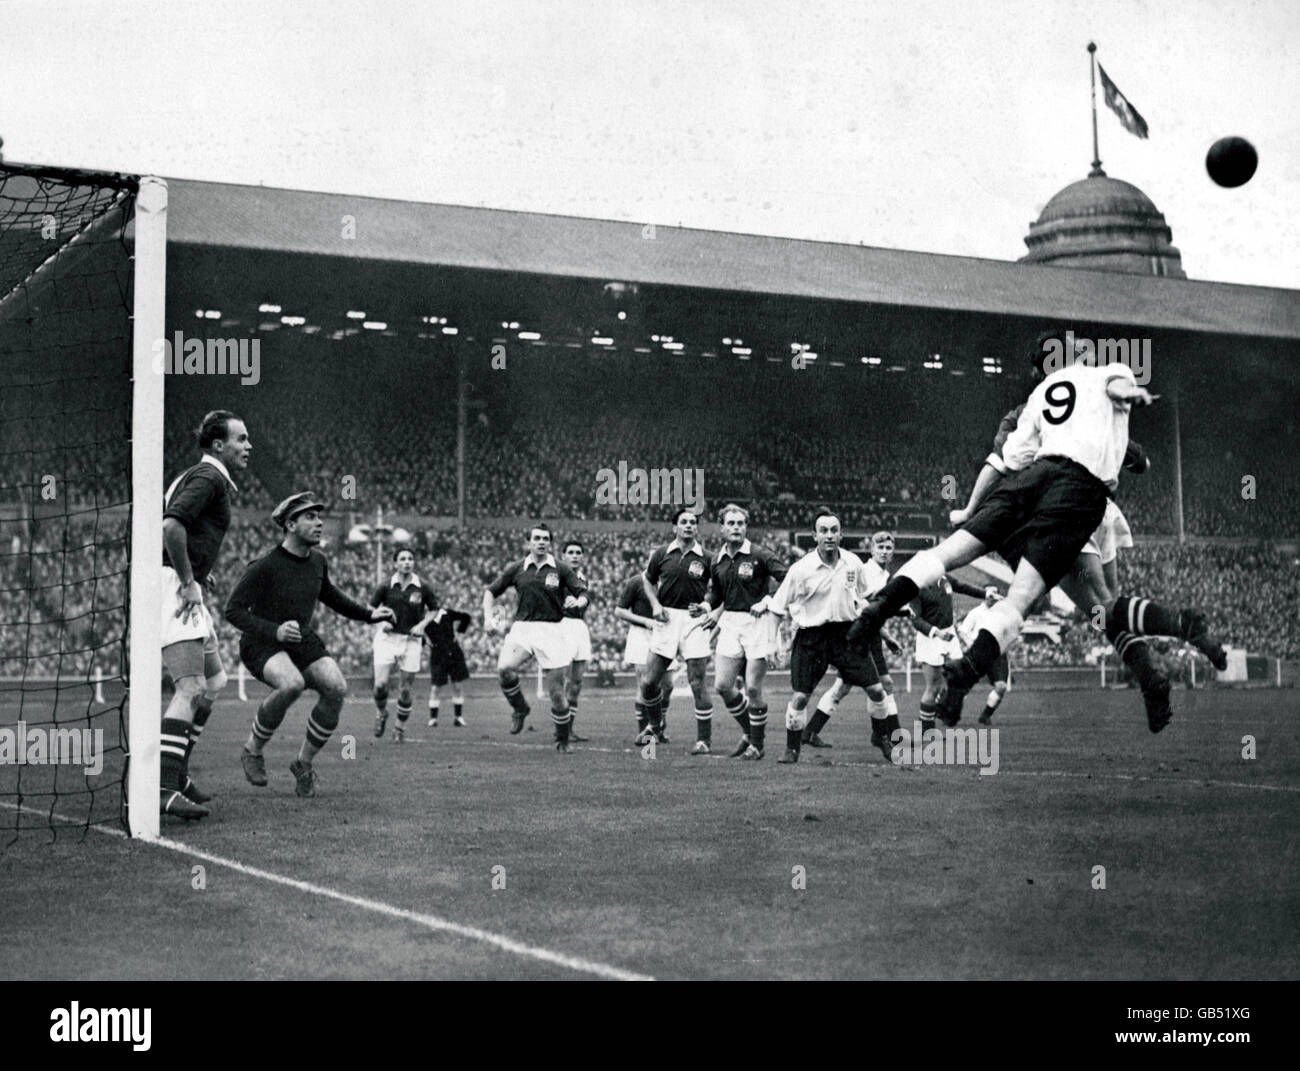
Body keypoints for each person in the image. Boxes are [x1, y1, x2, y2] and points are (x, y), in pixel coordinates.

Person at [855, 337, 1226, 722]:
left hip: (1045, 510)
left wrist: (968, 508)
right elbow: (1139, 459)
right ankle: (1161, 660)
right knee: (1099, 605)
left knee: (1063, 601)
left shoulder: (1029, 409)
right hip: (1083, 507)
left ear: (1040, 373)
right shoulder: (1090, 398)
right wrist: (1127, 441)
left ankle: (963, 675)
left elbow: (1000, 464)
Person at [225, 493, 395, 797]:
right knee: (291, 684)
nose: (319, 523)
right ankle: (252, 750)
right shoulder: (265, 565)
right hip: (262, 642)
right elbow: (232, 610)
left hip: (300, 638)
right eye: (310, 517)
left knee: (336, 688)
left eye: (319, 517)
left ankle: (303, 764)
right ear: (290, 524)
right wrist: (275, 631)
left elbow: (332, 596)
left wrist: (369, 614)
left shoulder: (318, 560)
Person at [159, 410, 251, 820]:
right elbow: (171, 527)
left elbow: (182, 530)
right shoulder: (209, 478)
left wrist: (198, 571)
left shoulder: (201, 477)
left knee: (215, 680)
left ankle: (177, 776)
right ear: (219, 445)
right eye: (241, 439)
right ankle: (162, 789)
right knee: (191, 686)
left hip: (182, 582)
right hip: (174, 589)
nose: (248, 446)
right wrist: (186, 578)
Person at [755, 508, 882, 765]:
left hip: (846, 635)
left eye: (834, 530)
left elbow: (865, 596)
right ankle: (792, 748)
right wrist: (771, 644)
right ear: (814, 535)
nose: (829, 535)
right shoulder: (801, 569)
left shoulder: (853, 563)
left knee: (877, 690)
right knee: (801, 697)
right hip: (811, 637)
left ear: (841, 534)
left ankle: (881, 737)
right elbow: (777, 608)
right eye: (823, 530)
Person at [483, 524, 586, 752]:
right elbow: (491, 591)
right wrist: (488, 618)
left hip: (552, 630)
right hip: (523, 628)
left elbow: (582, 593)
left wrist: (578, 602)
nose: (541, 542)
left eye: (545, 539)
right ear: (528, 541)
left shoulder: (560, 568)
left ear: (550, 543)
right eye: (536, 538)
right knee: (504, 669)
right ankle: (520, 708)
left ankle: (563, 740)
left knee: (557, 694)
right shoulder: (516, 568)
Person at [698, 504, 787, 760]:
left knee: (753, 689)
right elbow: (718, 593)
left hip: (757, 623)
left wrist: (767, 600)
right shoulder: (717, 559)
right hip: (730, 622)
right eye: (731, 523)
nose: (736, 527)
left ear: (745, 527)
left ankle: (757, 746)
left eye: (741, 523)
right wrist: (707, 606)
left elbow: (789, 579)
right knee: (723, 686)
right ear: (722, 527)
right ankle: (750, 733)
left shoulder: (760, 554)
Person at [810, 530, 906, 754]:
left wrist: (888, 636)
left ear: (893, 552)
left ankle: (810, 731)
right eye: (880, 548)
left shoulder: (883, 574)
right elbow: (860, 606)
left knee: (842, 688)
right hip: (861, 636)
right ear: (871, 550)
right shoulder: (866, 572)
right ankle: (890, 736)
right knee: (883, 685)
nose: (884, 552)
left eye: (888, 548)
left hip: (868, 634)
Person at [640, 509, 715, 754]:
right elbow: (648, 581)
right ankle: (655, 725)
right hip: (667, 618)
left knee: (697, 682)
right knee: (649, 682)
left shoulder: (707, 557)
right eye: (683, 522)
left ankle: (704, 740)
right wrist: (655, 605)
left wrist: (706, 606)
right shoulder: (661, 553)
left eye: (693, 522)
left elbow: (720, 590)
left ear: (697, 528)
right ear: (675, 527)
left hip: (694, 622)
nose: (688, 526)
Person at [910, 577, 1001, 732]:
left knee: (961, 676)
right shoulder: (918, 586)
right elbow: (915, 620)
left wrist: (985, 594)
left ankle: (943, 706)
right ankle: (926, 730)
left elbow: (963, 586)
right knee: (932, 688)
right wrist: (935, 632)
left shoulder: (944, 578)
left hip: (949, 633)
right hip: (930, 637)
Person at [370, 547, 439, 743]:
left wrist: (422, 625)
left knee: (406, 689)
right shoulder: (385, 586)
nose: (407, 562)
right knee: (380, 686)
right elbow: (369, 608)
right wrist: (380, 621)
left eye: (410, 558)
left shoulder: (422, 587)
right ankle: (381, 713)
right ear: (395, 563)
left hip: (411, 640)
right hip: (387, 639)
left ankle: (399, 728)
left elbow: (434, 610)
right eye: (403, 559)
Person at [938, 589, 1012, 726]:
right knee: (962, 687)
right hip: (978, 655)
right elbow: (962, 630)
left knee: (1001, 686)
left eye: (995, 593)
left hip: (997, 655)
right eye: (990, 593)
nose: (992, 596)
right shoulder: (976, 613)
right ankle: (944, 707)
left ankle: (985, 716)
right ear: (985, 595)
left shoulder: (1002, 614)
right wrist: (971, 643)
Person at [615, 572, 674, 743]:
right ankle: (645, 732)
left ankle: (658, 727)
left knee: (668, 685)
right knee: (644, 685)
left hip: (664, 633)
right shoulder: (636, 581)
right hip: (641, 634)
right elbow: (619, 611)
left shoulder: (670, 581)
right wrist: (644, 621)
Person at [558, 540, 594, 742]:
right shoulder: (557, 576)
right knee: (562, 679)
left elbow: (584, 600)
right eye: (570, 552)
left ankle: (569, 730)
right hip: (562, 625)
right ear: (563, 555)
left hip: (579, 627)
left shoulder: (582, 578)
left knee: (577, 681)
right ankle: (561, 730)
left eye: (578, 552)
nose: (574, 555)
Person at [424, 603, 472, 728]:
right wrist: (425, 640)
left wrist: (459, 632)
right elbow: (414, 630)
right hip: (438, 655)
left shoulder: (447, 613)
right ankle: (433, 719)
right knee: (436, 688)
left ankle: (458, 718)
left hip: (453, 652)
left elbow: (466, 617)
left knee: (457, 686)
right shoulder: (423, 618)